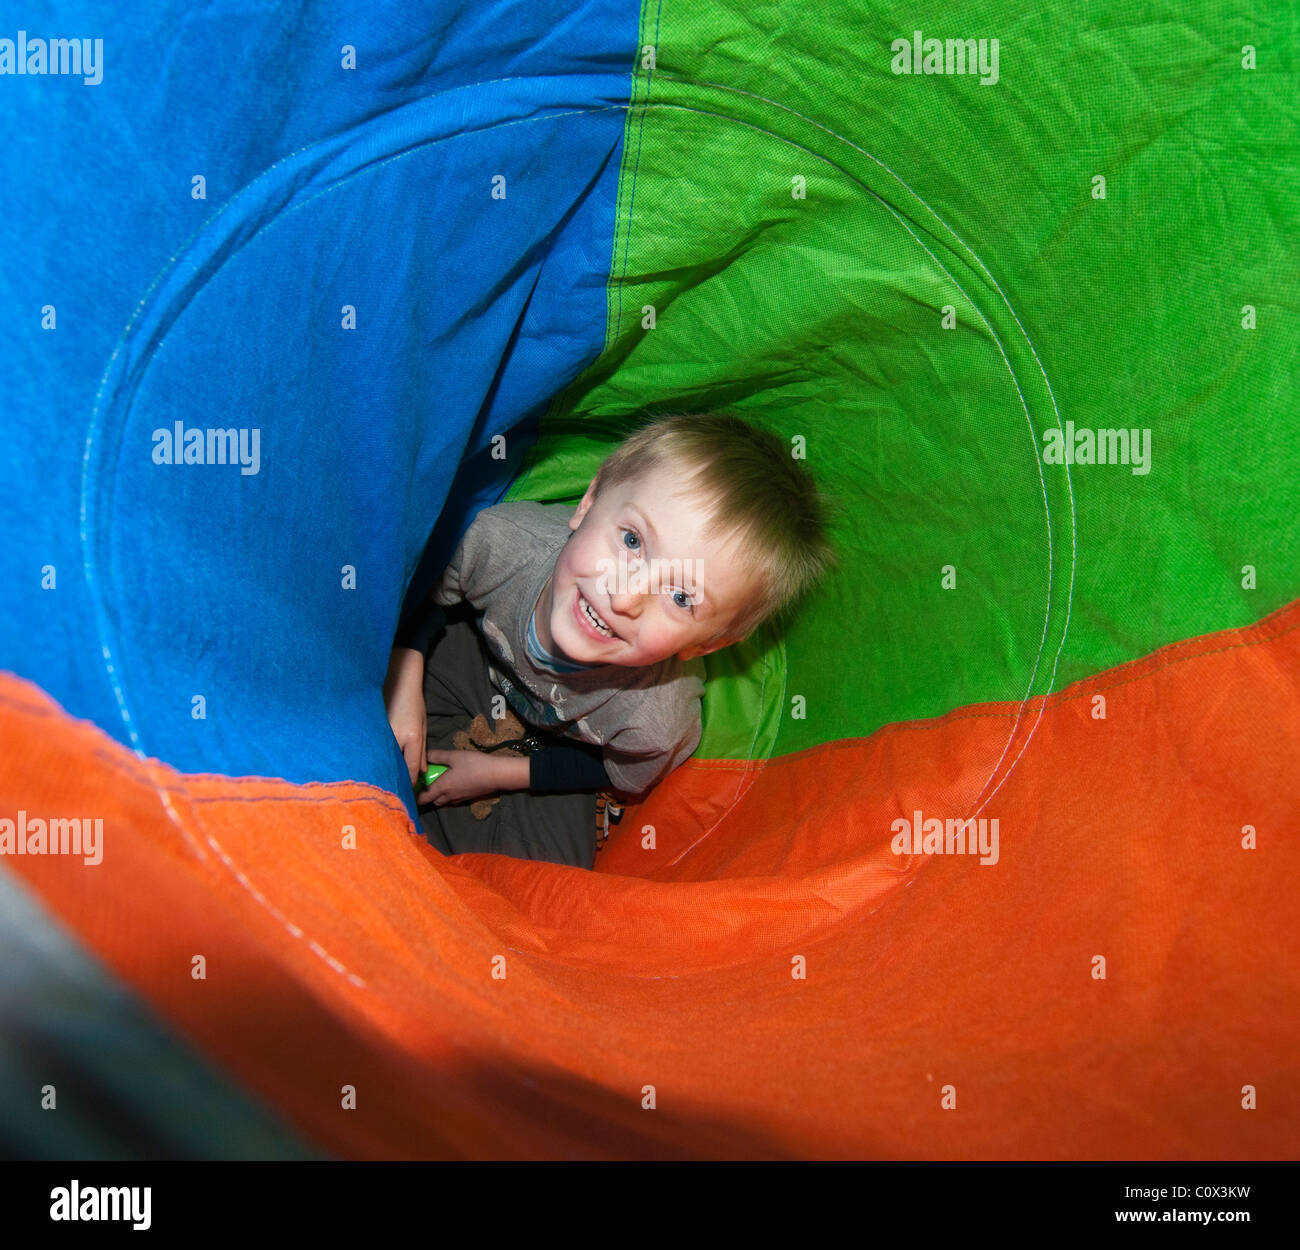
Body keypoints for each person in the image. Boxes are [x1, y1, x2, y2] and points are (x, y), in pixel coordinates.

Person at [383, 412, 836, 868]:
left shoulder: (655, 718)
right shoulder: (500, 542)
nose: (625, 595)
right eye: (633, 541)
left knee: (547, 882)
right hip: (474, 654)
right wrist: (407, 670)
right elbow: (430, 593)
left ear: (706, 644)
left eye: (681, 596)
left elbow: (620, 773)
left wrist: (498, 774)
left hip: (567, 744)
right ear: (589, 500)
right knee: (370, 706)